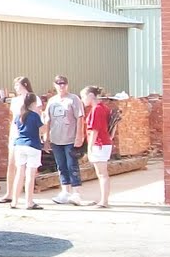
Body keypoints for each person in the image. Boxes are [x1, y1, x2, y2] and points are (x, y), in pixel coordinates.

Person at [45, 75, 86, 206]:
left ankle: (76, 193)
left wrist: (79, 136)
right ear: (55, 85)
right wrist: (46, 139)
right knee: (61, 166)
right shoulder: (52, 101)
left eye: (64, 83)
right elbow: (47, 120)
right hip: (56, 138)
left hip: (70, 138)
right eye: (59, 83)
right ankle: (65, 191)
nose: (61, 86)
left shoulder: (74, 99)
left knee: (72, 165)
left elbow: (80, 118)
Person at [0, 75, 35, 203]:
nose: (15, 88)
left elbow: (37, 115)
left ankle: (23, 195)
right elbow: (13, 119)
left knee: (24, 166)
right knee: (11, 163)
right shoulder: (15, 101)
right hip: (15, 134)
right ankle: (9, 193)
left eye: (17, 85)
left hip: (28, 135)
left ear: (24, 85)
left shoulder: (32, 98)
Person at [9, 92, 45, 210]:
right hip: (32, 145)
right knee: (30, 175)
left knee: (19, 173)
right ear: (34, 103)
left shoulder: (19, 115)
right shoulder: (35, 116)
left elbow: (16, 129)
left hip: (19, 145)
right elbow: (42, 130)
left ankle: (14, 201)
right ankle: (29, 202)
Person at [82, 85, 114, 208]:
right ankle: (103, 198)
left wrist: (89, 148)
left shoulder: (96, 109)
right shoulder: (104, 108)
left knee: (102, 174)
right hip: (104, 142)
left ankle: (104, 201)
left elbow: (94, 130)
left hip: (99, 144)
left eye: (84, 96)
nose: (83, 99)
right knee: (102, 173)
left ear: (91, 96)